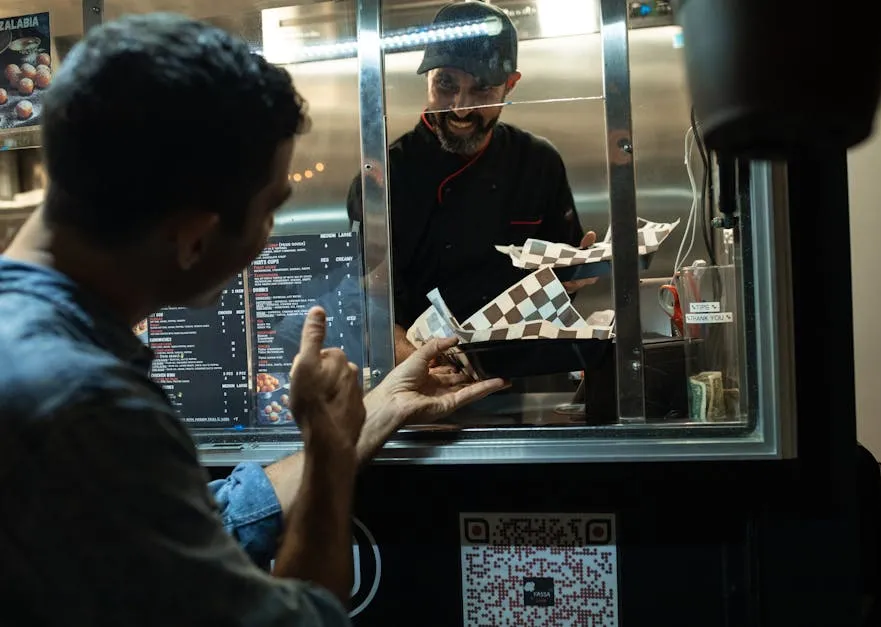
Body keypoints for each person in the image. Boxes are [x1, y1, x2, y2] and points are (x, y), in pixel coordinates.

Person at [0, 13, 504, 626]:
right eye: (269, 211)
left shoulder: (35, 351)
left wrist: (377, 412)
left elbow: (203, 525)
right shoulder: (88, 406)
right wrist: (325, 457)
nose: (266, 241)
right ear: (193, 236)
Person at [348, 0, 598, 364]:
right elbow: (367, 303)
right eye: (445, 85)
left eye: (481, 90)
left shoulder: (538, 163)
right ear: (427, 77)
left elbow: (555, 286)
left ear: (510, 86)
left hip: (516, 379)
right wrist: (420, 367)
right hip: (419, 378)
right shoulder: (381, 178)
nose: (460, 108)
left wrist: (572, 277)